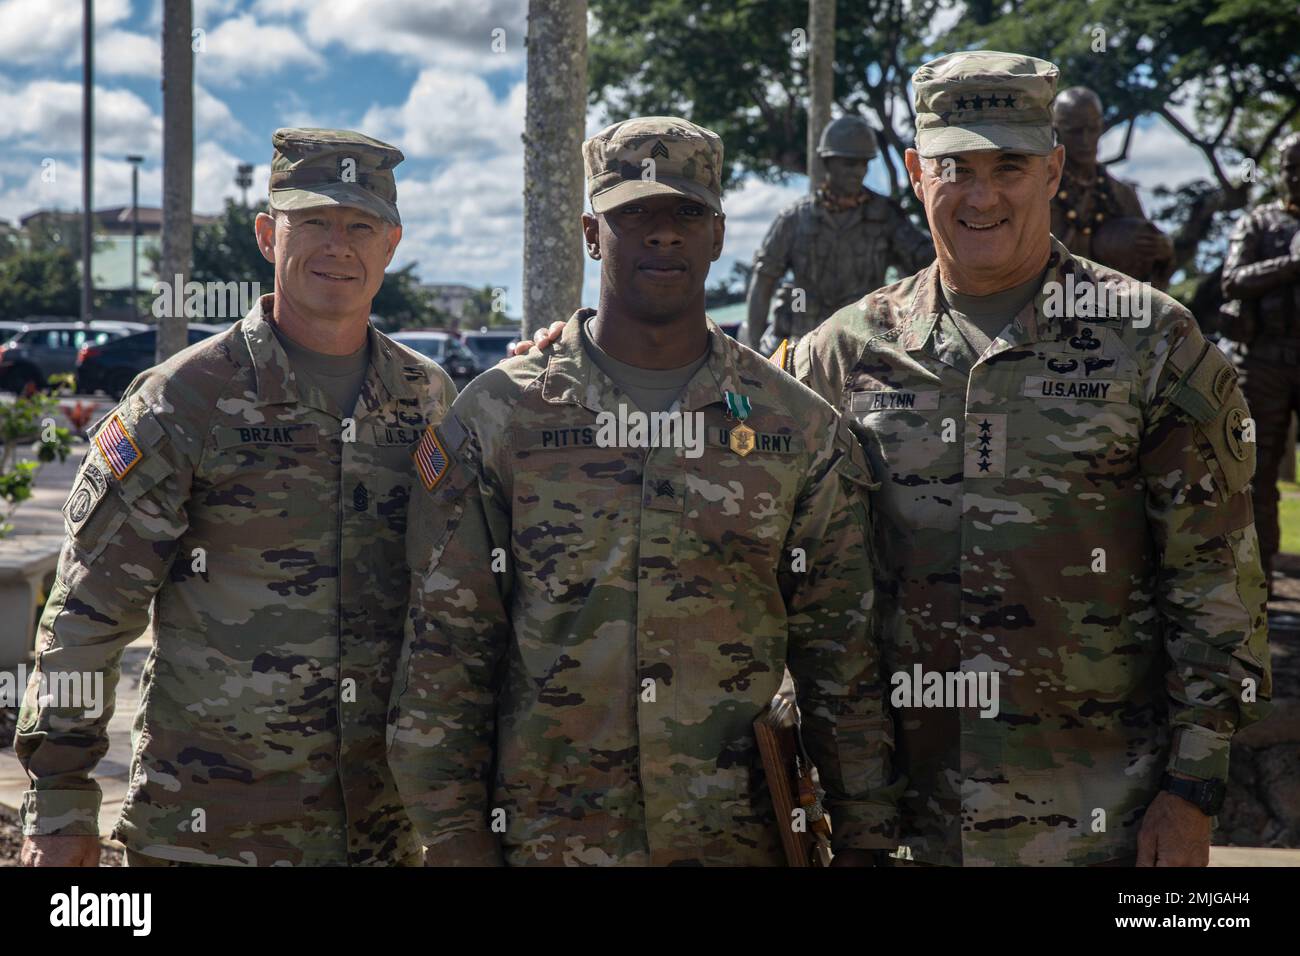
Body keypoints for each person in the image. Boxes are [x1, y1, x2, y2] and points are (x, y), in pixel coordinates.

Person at [780, 51, 1270, 866]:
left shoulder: (1153, 343)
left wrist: (1194, 791)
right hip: (903, 821)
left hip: (1099, 819)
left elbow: (1216, 579)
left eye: (1008, 166)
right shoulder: (844, 351)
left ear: (1051, 170)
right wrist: (569, 360)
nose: (981, 195)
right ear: (913, 172)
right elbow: (733, 467)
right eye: (955, 168)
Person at [389, 116, 899, 866]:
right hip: (547, 841)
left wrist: (866, 840)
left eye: (686, 213)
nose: (663, 234)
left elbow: (841, 658)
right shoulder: (501, 416)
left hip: (738, 839)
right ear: (593, 233)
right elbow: (446, 648)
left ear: (718, 234)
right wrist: (456, 835)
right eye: (635, 214)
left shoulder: (796, 428)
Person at [16, 128, 455, 866]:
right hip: (209, 828)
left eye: (360, 225)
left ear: (392, 244)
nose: (336, 245)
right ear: (266, 233)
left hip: (379, 831)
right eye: (312, 220)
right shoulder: (184, 399)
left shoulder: (427, 398)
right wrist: (60, 800)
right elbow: (90, 609)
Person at [743, 116, 933, 354]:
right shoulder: (794, 219)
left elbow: (926, 264)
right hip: (803, 345)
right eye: (849, 164)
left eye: (864, 164)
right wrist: (752, 352)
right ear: (827, 163)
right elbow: (764, 280)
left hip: (865, 344)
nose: (858, 172)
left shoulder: (886, 216)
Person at [1220, 132, 1300, 586]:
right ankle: (1260, 578)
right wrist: (1290, 266)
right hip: (1263, 360)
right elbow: (1233, 279)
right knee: (1255, 472)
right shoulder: (1259, 221)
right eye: (1290, 167)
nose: (1296, 177)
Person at [1051, 86, 1174, 288]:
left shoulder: (1121, 194)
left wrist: (1163, 250)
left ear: (1101, 127)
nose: (1085, 140)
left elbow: (1152, 273)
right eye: (1074, 131)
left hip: (1116, 307)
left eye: (1092, 129)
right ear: (1056, 131)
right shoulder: (1040, 190)